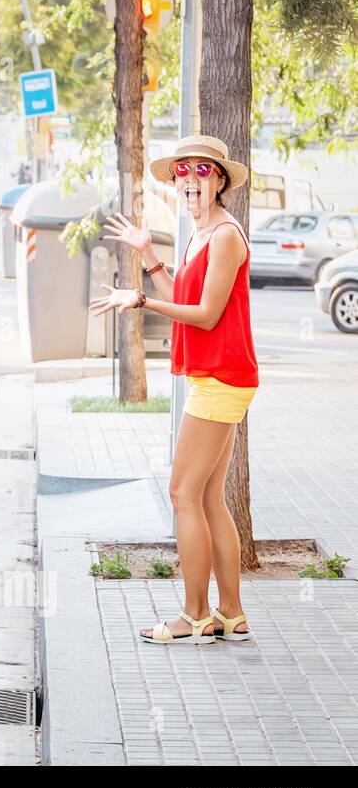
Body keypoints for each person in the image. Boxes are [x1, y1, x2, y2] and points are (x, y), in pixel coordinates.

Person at [90, 135, 257, 645]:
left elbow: (204, 317)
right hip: (217, 376)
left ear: (221, 180)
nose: (190, 180)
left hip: (223, 377)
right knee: (207, 498)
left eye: (203, 172)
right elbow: (184, 294)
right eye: (183, 171)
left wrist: (141, 302)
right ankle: (230, 613)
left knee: (182, 492)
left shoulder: (225, 235)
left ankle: (195, 614)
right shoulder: (199, 233)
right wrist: (147, 255)